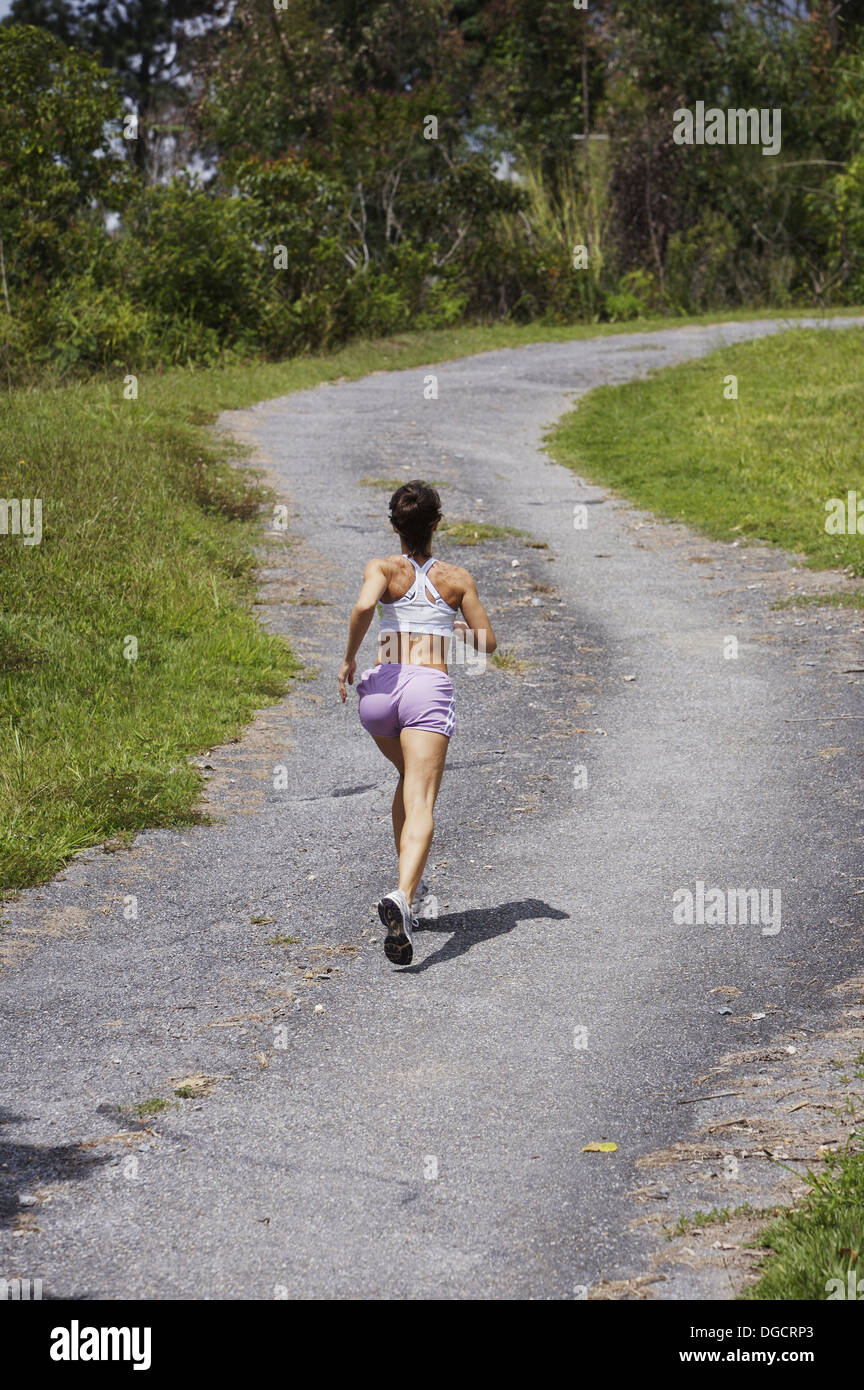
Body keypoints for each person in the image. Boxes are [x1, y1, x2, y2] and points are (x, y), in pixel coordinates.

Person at [337, 481, 497, 965]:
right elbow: (488, 644)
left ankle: (414, 883)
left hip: (381, 692)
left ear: (394, 526)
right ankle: (403, 900)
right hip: (427, 688)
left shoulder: (382, 568)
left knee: (409, 779)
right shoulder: (456, 578)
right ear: (437, 523)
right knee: (423, 798)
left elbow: (366, 606)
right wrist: (457, 627)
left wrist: (347, 660)